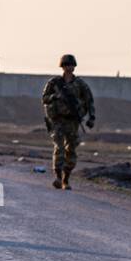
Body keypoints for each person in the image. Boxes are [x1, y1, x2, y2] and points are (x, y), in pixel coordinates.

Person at [41, 54, 95, 189]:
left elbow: (89, 101)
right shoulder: (54, 83)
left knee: (71, 150)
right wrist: (56, 96)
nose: (69, 68)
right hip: (57, 120)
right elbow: (45, 98)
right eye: (66, 65)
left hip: (72, 122)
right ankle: (58, 177)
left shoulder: (80, 84)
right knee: (58, 148)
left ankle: (66, 178)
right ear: (62, 67)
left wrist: (91, 117)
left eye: (71, 65)